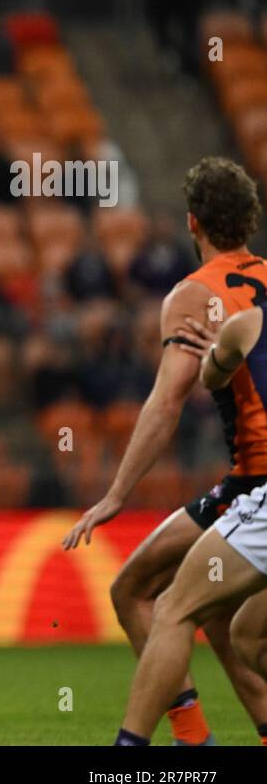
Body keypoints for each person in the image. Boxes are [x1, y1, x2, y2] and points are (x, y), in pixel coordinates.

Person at [64, 157, 267, 745]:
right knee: (228, 622)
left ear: (192, 222)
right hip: (245, 483)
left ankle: (186, 743)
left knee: (142, 593)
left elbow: (166, 402)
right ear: (250, 221)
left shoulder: (192, 296)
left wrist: (116, 494)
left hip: (254, 482)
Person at [115, 300, 267, 745]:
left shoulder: (249, 324)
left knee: (174, 609)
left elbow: (211, 377)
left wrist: (219, 351)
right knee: (249, 637)